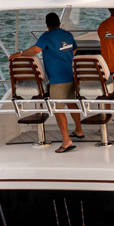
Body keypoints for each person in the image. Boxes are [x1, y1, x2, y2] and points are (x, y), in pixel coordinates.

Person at [15, 11, 84, 151]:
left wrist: (21, 53)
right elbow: (75, 50)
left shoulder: (46, 36)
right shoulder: (68, 35)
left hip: (58, 79)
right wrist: (64, 57)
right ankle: (79, 130)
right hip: (71, 76)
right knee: (72, 105)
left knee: (58, 110)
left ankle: (66, 140)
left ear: (47, 25)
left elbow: (35, 50)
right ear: (59, 22)